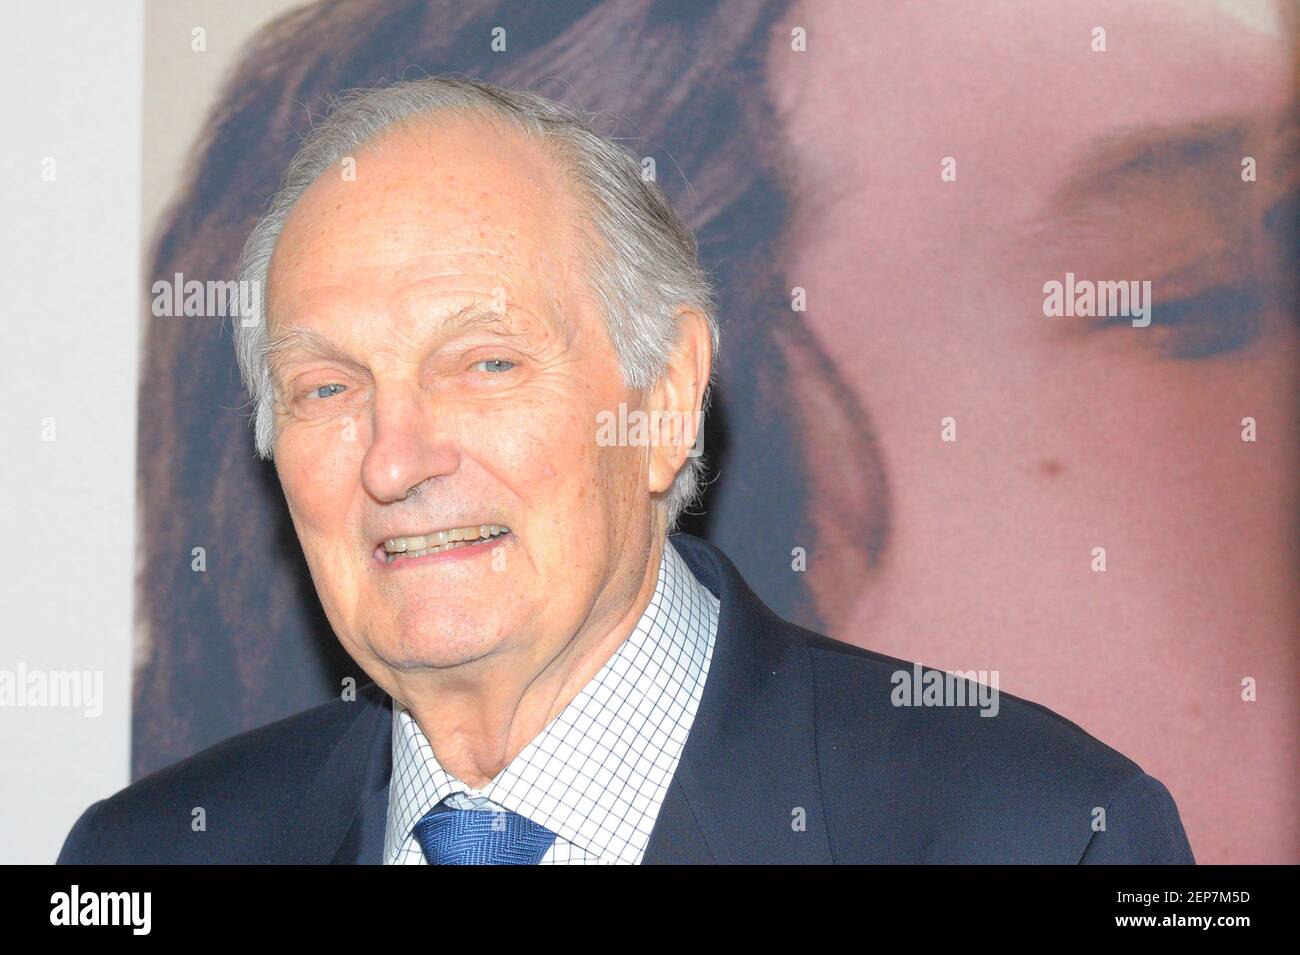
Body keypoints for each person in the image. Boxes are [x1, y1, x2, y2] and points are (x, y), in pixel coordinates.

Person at [59, 77, 1193, 864]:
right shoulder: (147, 854)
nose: (396, 459)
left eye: (486, 362)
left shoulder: (1041, 835)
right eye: (327, 388)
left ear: (662, 399)